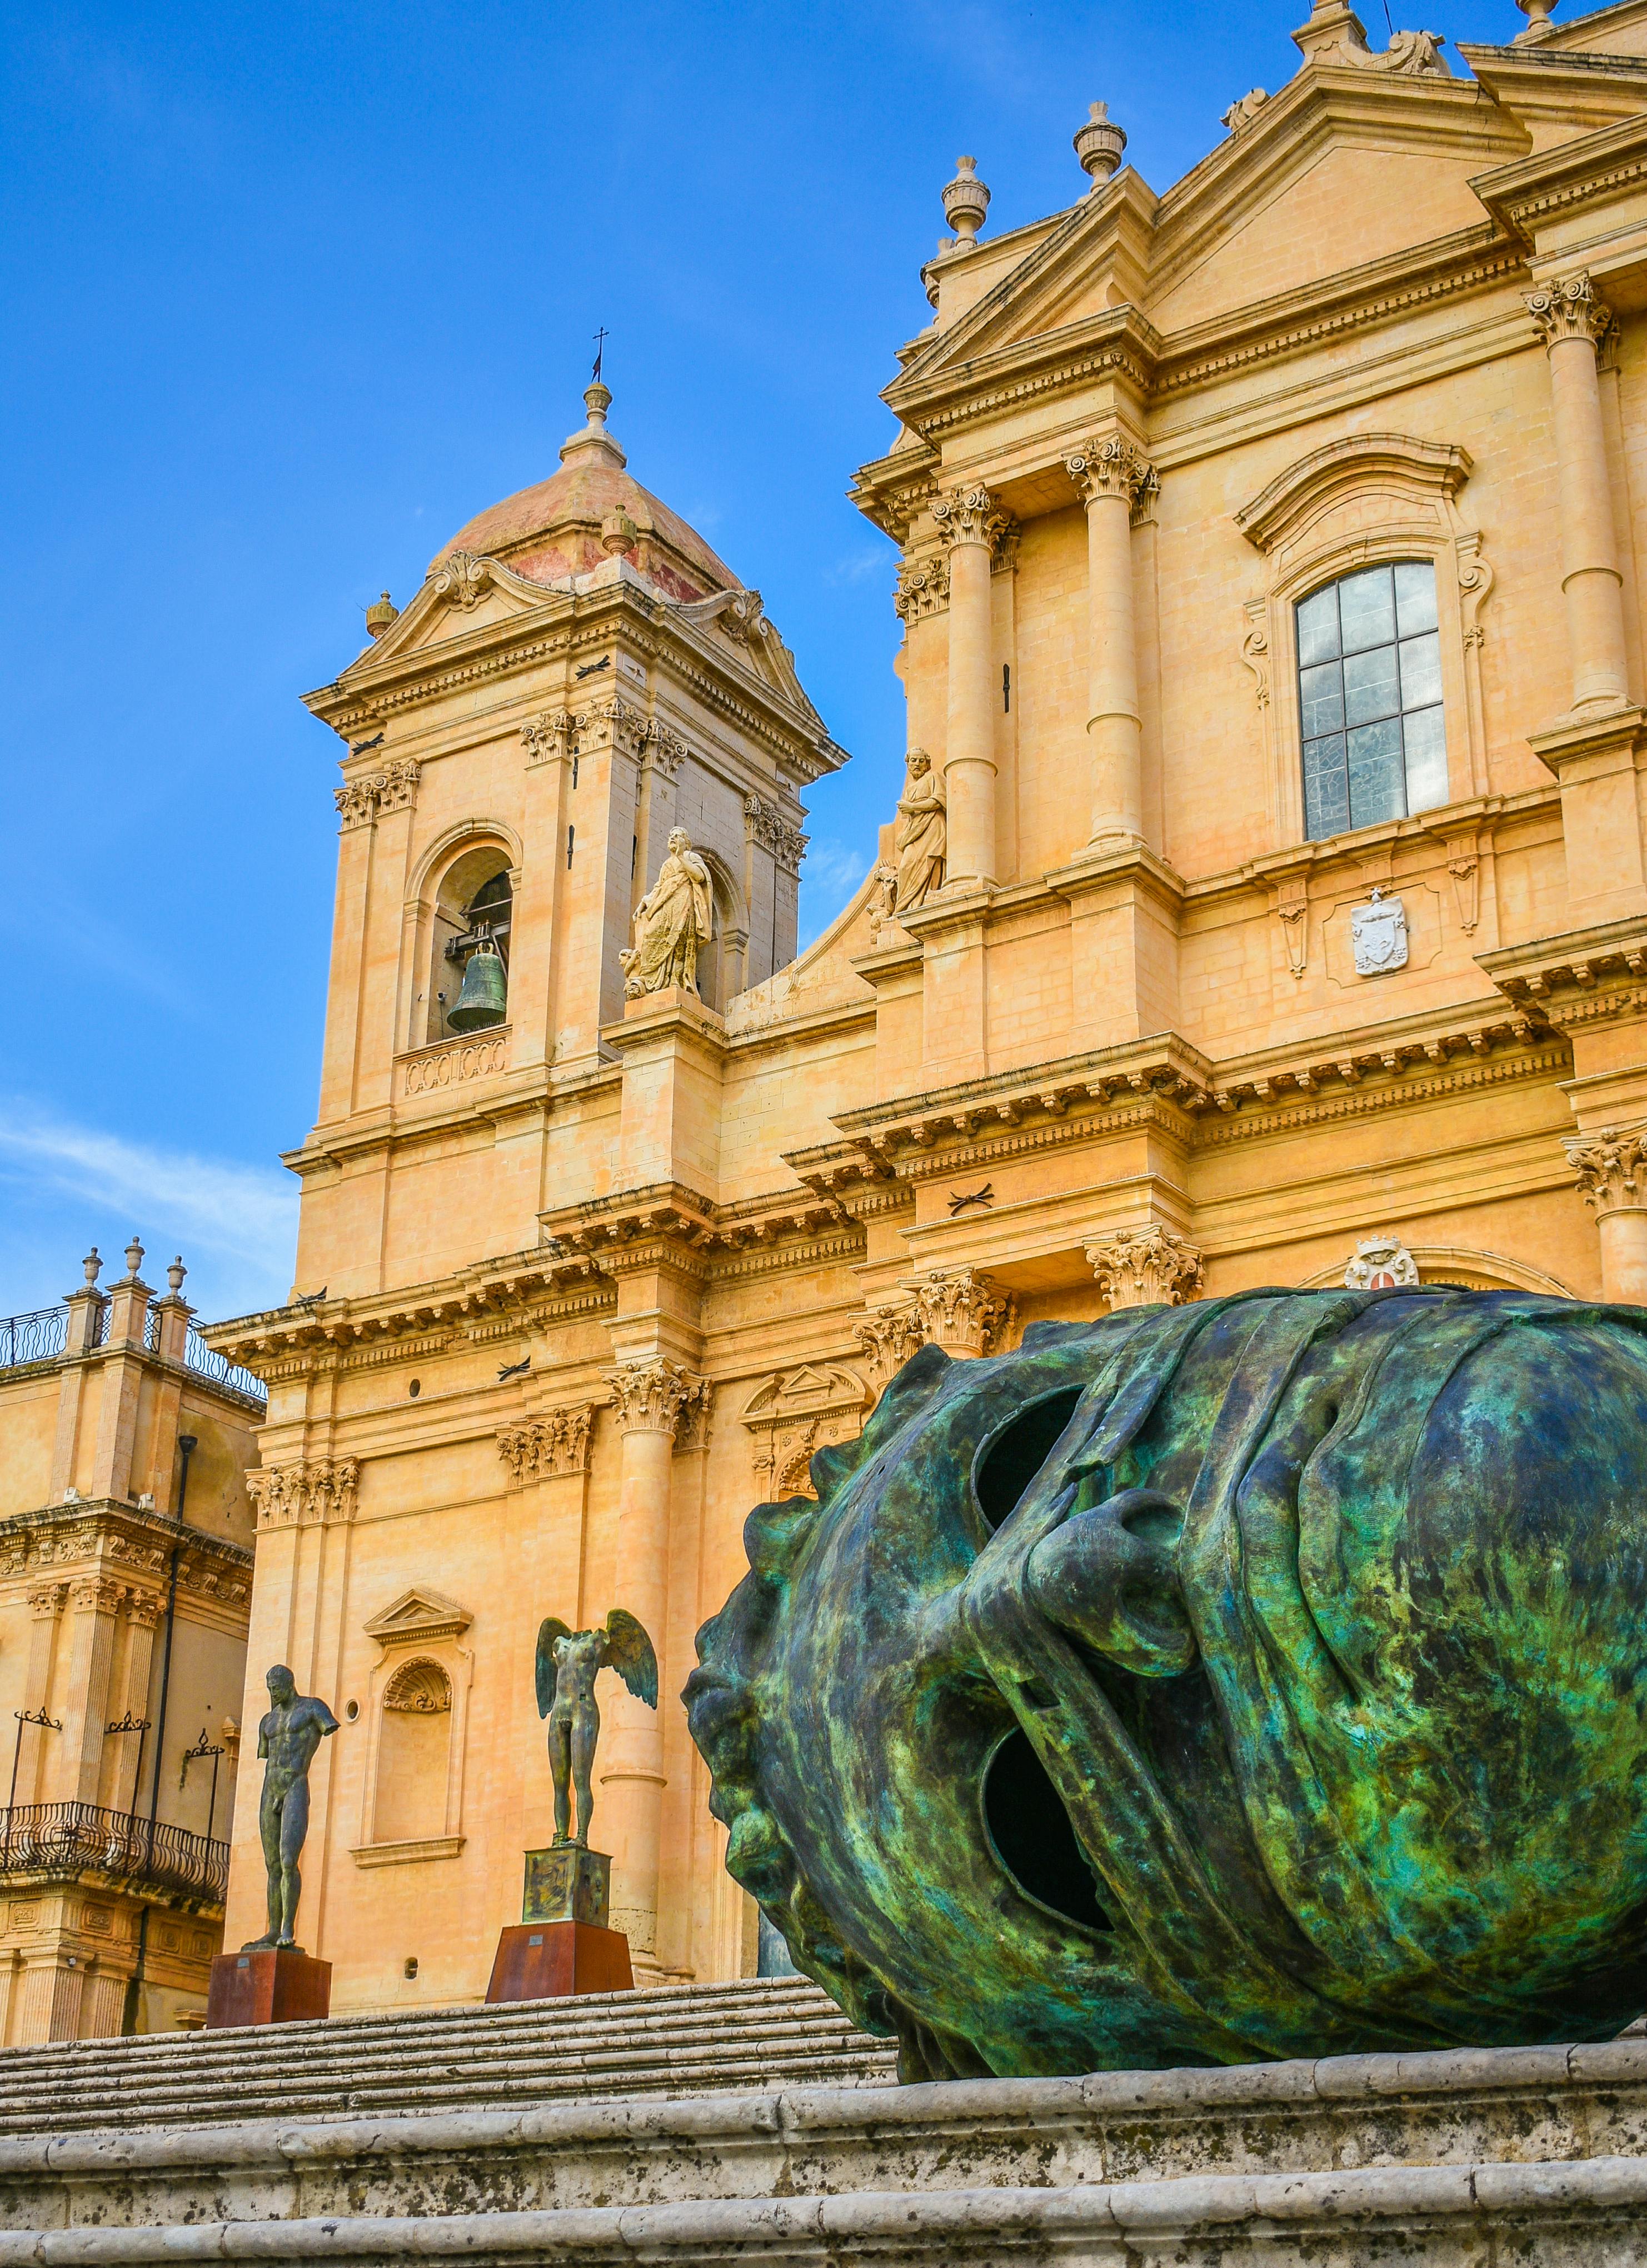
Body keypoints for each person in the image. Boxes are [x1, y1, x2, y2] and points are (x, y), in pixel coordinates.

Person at [242, 1665, 338, 1951]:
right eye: (270, 1688)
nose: (273, 1692)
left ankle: (287, 1928)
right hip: (269, 1788)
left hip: (295, 1785)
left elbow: (328, 1727)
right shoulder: (267, 1722)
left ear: (290, 1683)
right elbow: (266, 1756)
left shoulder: (313, 1709)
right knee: (271, 1865)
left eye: (277, 1686)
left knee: (287, 1860)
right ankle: (272, 1929)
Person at [621, 827, 713, 998]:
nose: (672, 838)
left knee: (678, 943)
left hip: (683, 903)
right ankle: (650, 979)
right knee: (650, 936)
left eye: (676, 836)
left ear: (685, 842)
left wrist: (680, 856)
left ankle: (674, 981)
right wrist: (644, 903)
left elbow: (700, 877)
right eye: (670, 836)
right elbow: (659, 887)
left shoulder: (690, 857)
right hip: (664, 904)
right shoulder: (666, 865)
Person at [894, 750, 946, 914]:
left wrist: (913, 807)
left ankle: (926, 899)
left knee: (930, 861)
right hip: (916, 831)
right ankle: (907, 908)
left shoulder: (933, 777)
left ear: (927, 764)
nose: (917, 764)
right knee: (905, 867)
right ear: (908, 765)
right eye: (914, 761)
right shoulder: (909, 789)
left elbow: (938, 800)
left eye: (921, 761)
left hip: (932, 826)